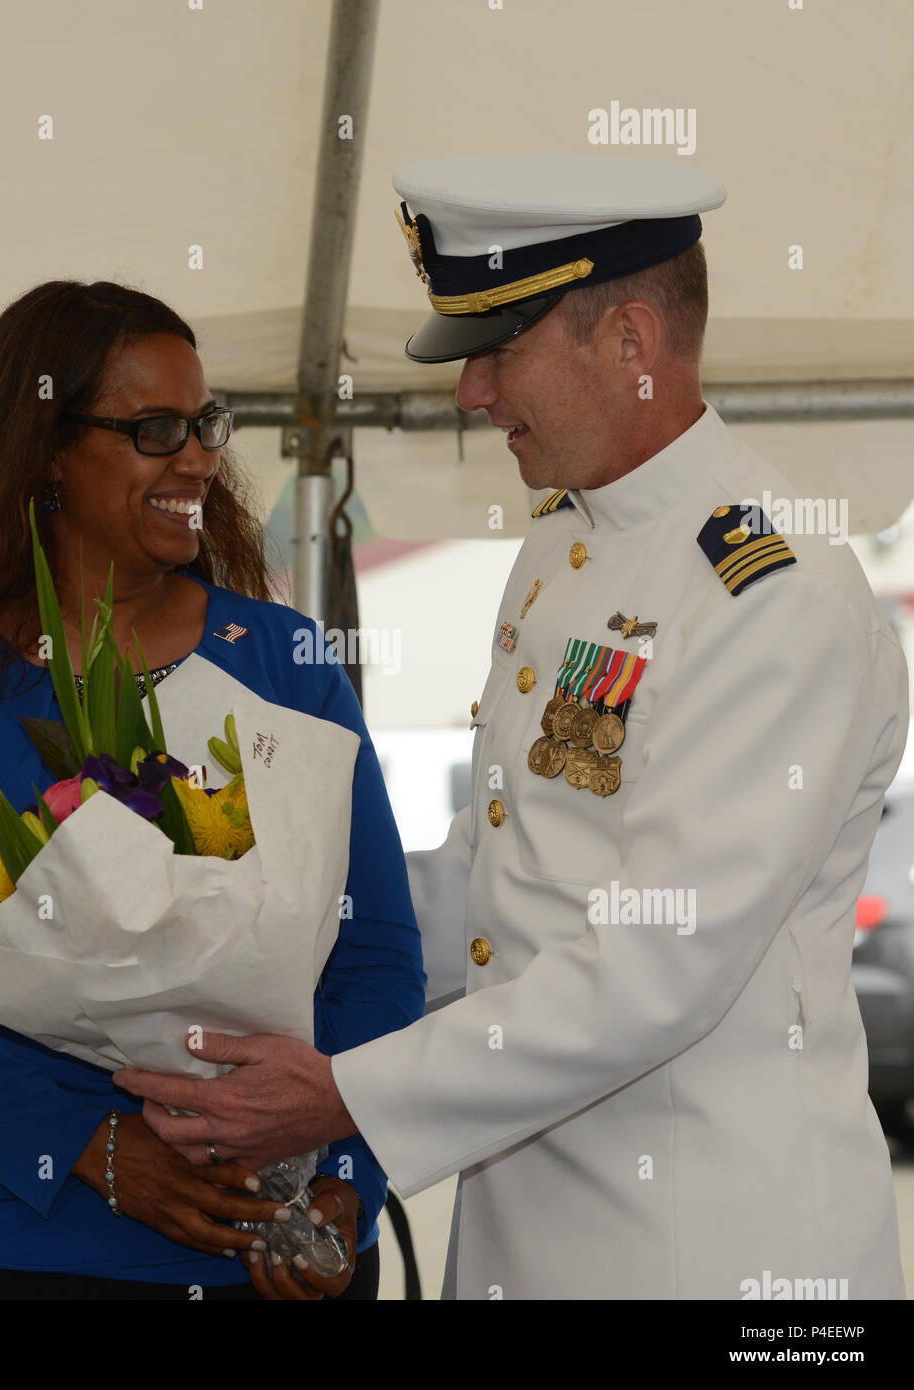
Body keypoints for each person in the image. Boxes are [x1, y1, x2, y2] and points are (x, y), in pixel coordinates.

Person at [115, 155, 910, 1300]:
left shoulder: (768, 593)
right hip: (530, 1234)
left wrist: (346, 1090)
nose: (469, 393)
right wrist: (218, 945)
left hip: (712, 1255)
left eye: (498, 350)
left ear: (630, 343)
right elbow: (496, 881)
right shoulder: (557, 549)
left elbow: (655, 967)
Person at [0, 280, 424, 1301]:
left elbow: (378, 955)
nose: (199, 457)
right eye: (154, 429)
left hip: (278, 1247)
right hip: (2, 1251)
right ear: (44, 448)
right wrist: (81, 1144)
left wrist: (342, 1177)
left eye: (204, 423)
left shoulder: (285, 663)